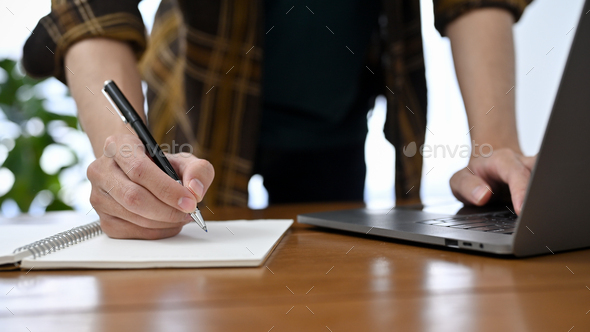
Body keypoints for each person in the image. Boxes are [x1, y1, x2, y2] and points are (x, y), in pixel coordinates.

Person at [22, 0, 534, 239]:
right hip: (199, 123)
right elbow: (92, 8)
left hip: (332, 123)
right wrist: (125, 165)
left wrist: (494, 146)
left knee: (331, 286)